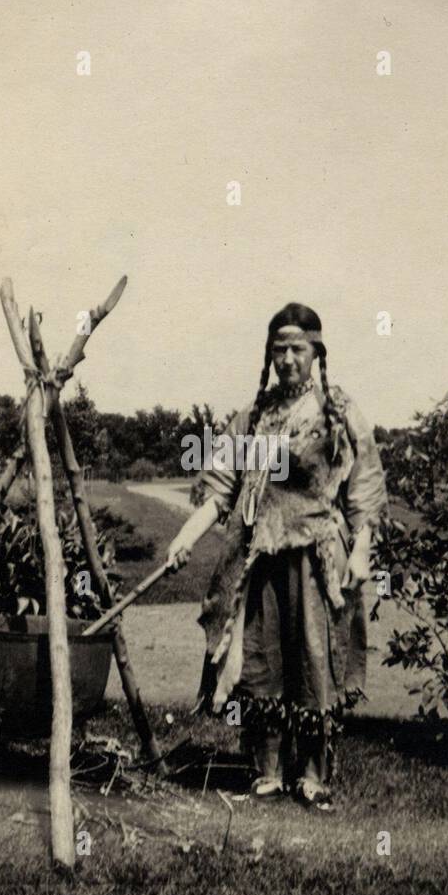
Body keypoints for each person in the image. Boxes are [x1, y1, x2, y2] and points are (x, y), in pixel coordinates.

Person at [166, 303, 388, 807]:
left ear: (316, 353)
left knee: (314, 662)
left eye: (298, 349)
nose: (287, 359)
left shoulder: (339, 414)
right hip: (260, 558)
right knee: (259, 662)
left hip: (317, 558)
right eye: (279, 349)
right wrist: (185, 536)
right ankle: (265, 770)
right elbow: (222, 490)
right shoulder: (254, 418)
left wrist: (362, 551)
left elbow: (365, 488)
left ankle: (311, 775)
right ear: (269, 355)